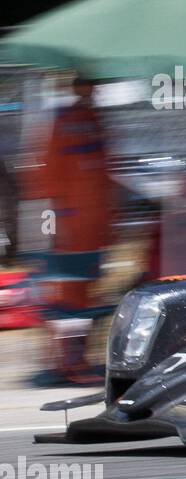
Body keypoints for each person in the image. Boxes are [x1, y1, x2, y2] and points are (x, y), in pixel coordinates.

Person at [25, 76, 114, 383]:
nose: (92, 90)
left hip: (93, 227)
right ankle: (66, 363)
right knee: (67, 297)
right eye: (86, 84)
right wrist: (53, 224)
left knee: (88, 298)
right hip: (69, 227)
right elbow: (46, 178)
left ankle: (81, 359)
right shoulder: (61, 121)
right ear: (75, 87)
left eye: (94, 85)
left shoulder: (97, 121)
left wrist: (107, 223)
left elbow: (105, 175)